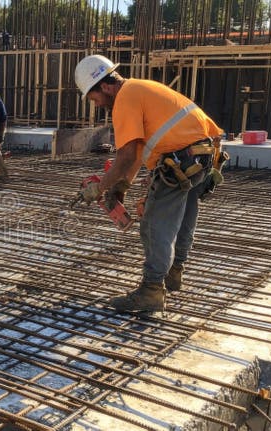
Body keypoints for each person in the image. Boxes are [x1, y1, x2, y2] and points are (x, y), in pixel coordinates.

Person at [73, 54, 226, 313]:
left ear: (106, 86)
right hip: (203, 156)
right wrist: (121, 187)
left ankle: (151, 291)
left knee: (154, 227)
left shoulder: (124, 100)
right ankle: (174, 272)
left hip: (178, 160)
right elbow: (137, 153)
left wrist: (99, 188)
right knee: (184, 216)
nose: (97, 104)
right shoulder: (140, 89)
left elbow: (126, 156)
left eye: (94, 97)